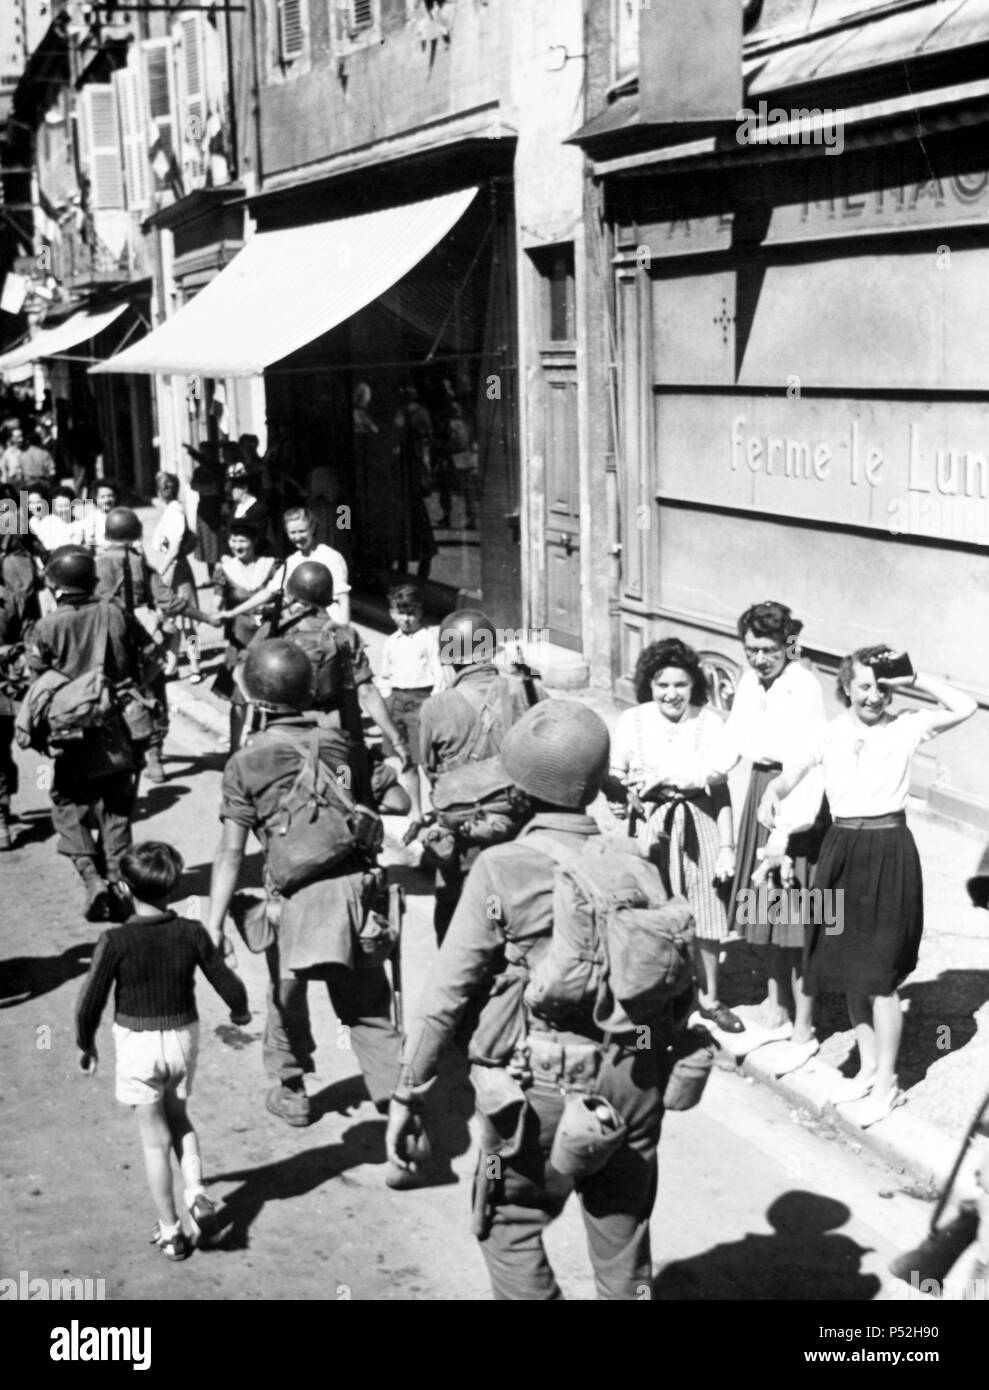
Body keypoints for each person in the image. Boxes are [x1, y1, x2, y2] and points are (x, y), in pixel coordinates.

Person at [387, 701, 683, 1299]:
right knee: (622, 1238)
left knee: (506, 1220)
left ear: (518, 787)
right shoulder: (635, 858)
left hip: (536, 1093)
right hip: (633, 1080)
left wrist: (407, 1093)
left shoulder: (502, 866)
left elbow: (445, 995)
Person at [205, 641, 407, 1164]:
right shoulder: (339, 743)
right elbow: (382, 801)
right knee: (368, 1011)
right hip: (354, 898)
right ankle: (401, 1111)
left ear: (253, 694)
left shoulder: (246, 762)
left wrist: (213, 924)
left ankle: (293, 1093)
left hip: (289, 902)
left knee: (283, 998)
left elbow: (230, 853)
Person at [759, 646, 976, 1127]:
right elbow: (789, 774)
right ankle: (868, 1066)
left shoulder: (907, 726)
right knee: (844, 966)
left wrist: (915, 675)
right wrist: (773, 793)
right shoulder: (829, 734)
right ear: (847, 688)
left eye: (882, 686)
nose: (874, 696)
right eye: (864, 686)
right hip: (839, 853)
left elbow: (964, 708)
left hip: (888, 851)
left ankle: (888, 1086)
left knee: (878, 978)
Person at [76, 840, 250, 1261]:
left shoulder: (115, 940)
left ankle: (171, 1231)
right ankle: (196, 1192)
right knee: (180, 1117)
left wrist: (86, 1042)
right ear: (172, 888)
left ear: (124, 888)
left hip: (138, 1044)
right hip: (181, 1038)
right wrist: (240, 1010)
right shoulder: (191, 932)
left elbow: (90, 999)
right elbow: (224, 978)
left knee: (154, 1141)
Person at [710, 600, 827, 1064]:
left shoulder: (804, 687)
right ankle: (777, 1010)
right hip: (762, 790)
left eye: (769, 649)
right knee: (766, 914)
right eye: (751, 649)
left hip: (795, 796)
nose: (759, 658)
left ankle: (804, 1026)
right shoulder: (750, 680)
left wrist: (787, 828)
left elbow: (810, 759)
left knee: (795, 917)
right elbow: (734, 735)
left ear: (787, 645)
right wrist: (708, 771)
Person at [607, 637, 739, 1033]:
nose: (671, 694)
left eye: (680, 685)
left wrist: (727, 848)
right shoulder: (633, 721)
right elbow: (614, 775)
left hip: (700, 823)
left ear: (692, 686)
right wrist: (623, 798)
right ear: (650, 685)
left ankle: (709, 999)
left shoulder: (710, 721)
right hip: (652, 823)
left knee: (708, 912)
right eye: (663, 685)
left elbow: (721, 790)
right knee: (654, 913)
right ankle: (660, 1000)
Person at [23, 547, 156, 922]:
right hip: (118, 729)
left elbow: (37, 685)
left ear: (53, 583)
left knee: (69, 808)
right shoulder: (116, 613)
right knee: (116, 808)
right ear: (93, 580)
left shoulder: (46, 626)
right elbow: (152, 655)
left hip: (70, 736)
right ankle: (117, 884)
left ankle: (92, 879)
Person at [237, 561, 411, 812]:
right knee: (349, 792)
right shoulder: (343, 634)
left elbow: (240, 671)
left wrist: (253, 708)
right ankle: (347, 809)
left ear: (293, 594)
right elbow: (366, 691)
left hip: (287, 731)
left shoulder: (277, 630)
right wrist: (397, 740)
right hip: (335, 734)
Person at [418, 608, 542, 943]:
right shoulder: (529, 692)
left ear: (449, 659)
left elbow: (430, 771)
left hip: (464, 837)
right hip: (521, 829)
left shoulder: (435, 707)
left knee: (456, 923)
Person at [218, 506, 350, 628]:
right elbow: (270, 591)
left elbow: (343, 595)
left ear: (313, 528)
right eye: (292, 532)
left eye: (302, 531)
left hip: (328, 619)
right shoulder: (293, 560)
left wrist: (344, 625)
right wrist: (233, 612)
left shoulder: (329, 556)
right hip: (302, 619)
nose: (297, 537)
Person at [379, 584, 442, 839]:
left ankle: (441, 808)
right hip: (397, 701)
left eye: (411, 613)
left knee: (427, 760)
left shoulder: (427, 639)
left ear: (420, 612)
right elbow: (385, 675)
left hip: (421, 701)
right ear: (392, 613)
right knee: (406, 761)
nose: (405, 619)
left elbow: (440, 676)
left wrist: (433, 705)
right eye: (399, 613)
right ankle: (416, 812)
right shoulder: (390, 642)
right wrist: (387, 699)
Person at [211, 521, 278, 752]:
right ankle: (234, 750)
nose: (237, 545)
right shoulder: (225, 568)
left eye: (242, 540)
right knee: (238, 698)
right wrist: (215, 611)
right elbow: (217, 598)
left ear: (254, 541)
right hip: (239, 639)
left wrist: (269, 610)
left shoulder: (269, 566)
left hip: (267, 637)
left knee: (266, 697)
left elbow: (280, 598)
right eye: (233, 540)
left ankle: (261, 746)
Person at [149, 471, 203, 682]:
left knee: (186, 622)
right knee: (175, 622)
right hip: (174, 569)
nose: (166, 491)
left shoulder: (175, 512)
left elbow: (173, 549)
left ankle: (195, 666)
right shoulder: (171, 511)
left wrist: (158, 573)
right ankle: (172, 666)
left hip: (175, 570)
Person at [223, 461, 269, 552]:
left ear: (244, 488)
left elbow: (259, 538)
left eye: (233, 486)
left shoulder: (259, 509)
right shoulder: (236, 508)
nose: (229, 490)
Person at [81, 478, 120, 552]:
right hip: (100, 552)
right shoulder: (92, 517)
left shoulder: (121, 515)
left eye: (111, 496)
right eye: (102, 497)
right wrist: (97, 547)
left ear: (116, 497)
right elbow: (89, 538)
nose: (107, 500)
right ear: (96, 498)